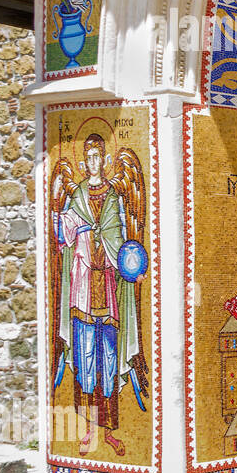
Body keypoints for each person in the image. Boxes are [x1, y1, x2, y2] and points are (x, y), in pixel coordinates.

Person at [53, 133, 144, 456]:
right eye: (88, 157)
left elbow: (119, 239)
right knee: (85, 360)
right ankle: (89, 430)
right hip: (81, 292)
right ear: (84, 162)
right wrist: (67, 223)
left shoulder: (114, 198)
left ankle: (108, 433)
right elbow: (62, 234)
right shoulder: (76, 196)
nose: (93, 162)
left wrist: (132, 267)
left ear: (105, 160)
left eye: (98, 156)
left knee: (108, 361)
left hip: (107, 287)